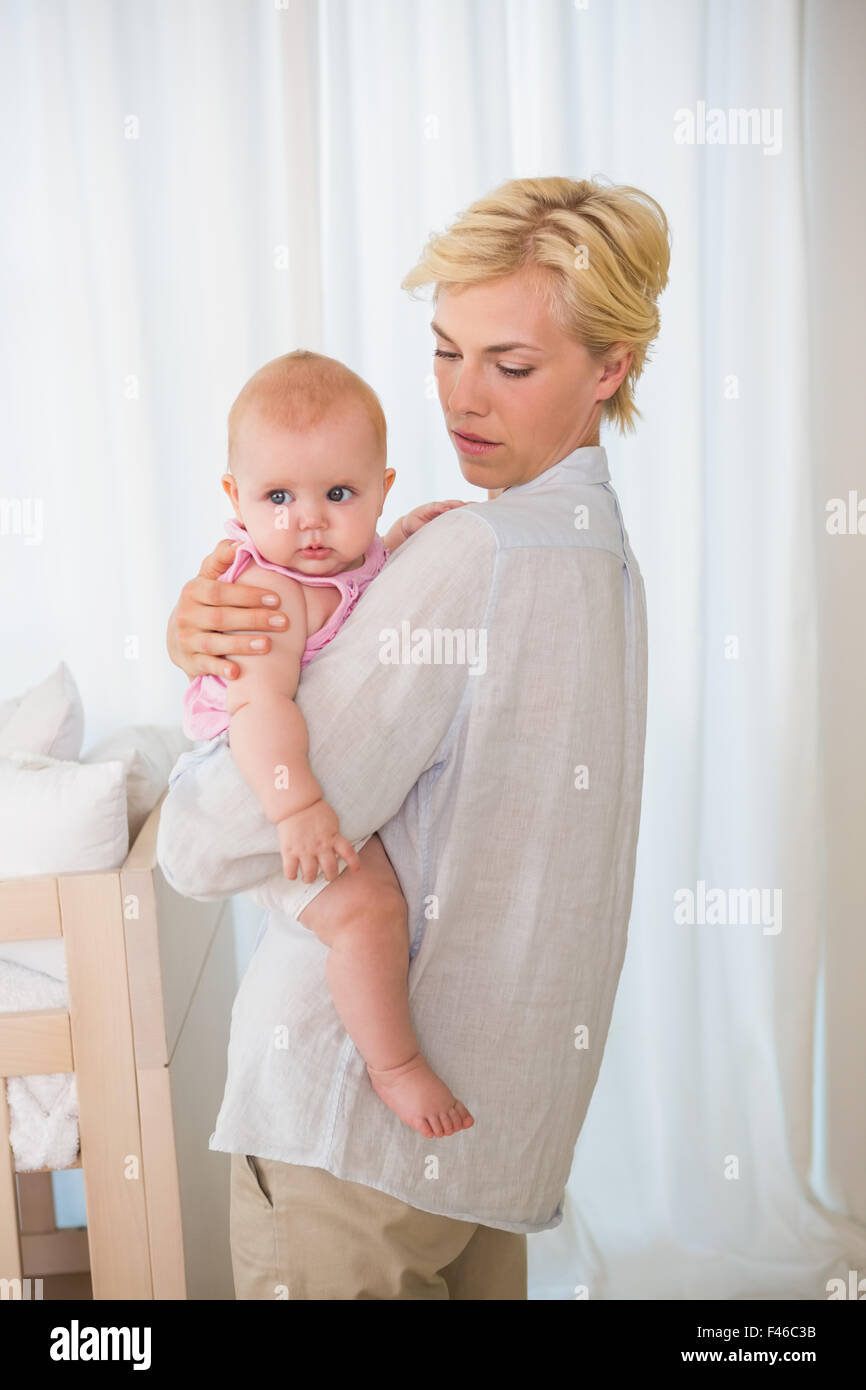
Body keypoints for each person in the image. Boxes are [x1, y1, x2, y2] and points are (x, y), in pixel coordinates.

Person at [156, 174, 670, 1300]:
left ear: (609, 367)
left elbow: (204, 846)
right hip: (495, 1137)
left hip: (351, 1149)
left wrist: (216, 676)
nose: (460, 400)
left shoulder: (470, 559)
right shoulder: (602, 559)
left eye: (510, 364)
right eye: (444, 351)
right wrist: (223, 643)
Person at [181, 348, 474, 1139]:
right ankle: (395, 1067)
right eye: (278, 496)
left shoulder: (347, 557)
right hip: (254, 778)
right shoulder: (269, 591)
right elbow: (260, 706)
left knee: (396, 902)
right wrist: (298, 806)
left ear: (383, 489)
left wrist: (409, 541)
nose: (307, 519)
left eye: (338, 494)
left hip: (297, 774)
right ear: (236, 499)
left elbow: (374, 600)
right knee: (369, 913)